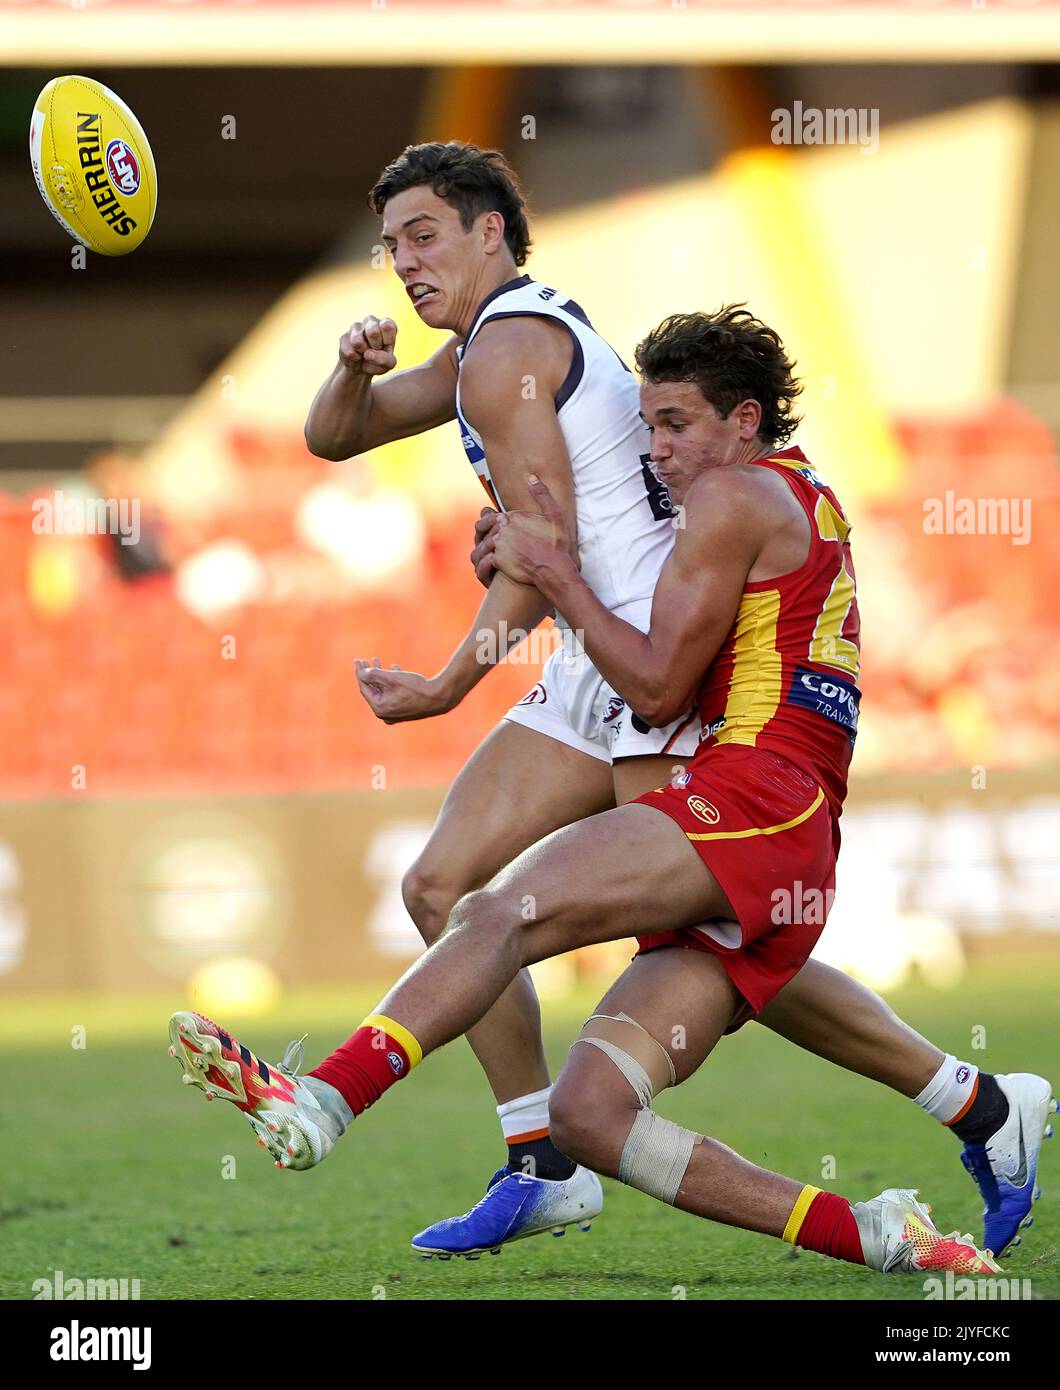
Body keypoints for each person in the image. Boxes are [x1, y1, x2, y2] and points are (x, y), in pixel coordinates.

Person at [173, 305, 1052, 1269]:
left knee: (498, 911)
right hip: (780, 823)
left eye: (675, 425)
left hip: (756, 796)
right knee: (590, 1114)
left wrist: (551, 571)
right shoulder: (790, 492)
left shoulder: (733, 501)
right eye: (648, 424)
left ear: (746, 420)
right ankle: (891, 1223)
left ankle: (328, 1097)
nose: (656, 447)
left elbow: (654, 682)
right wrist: (532, 559)